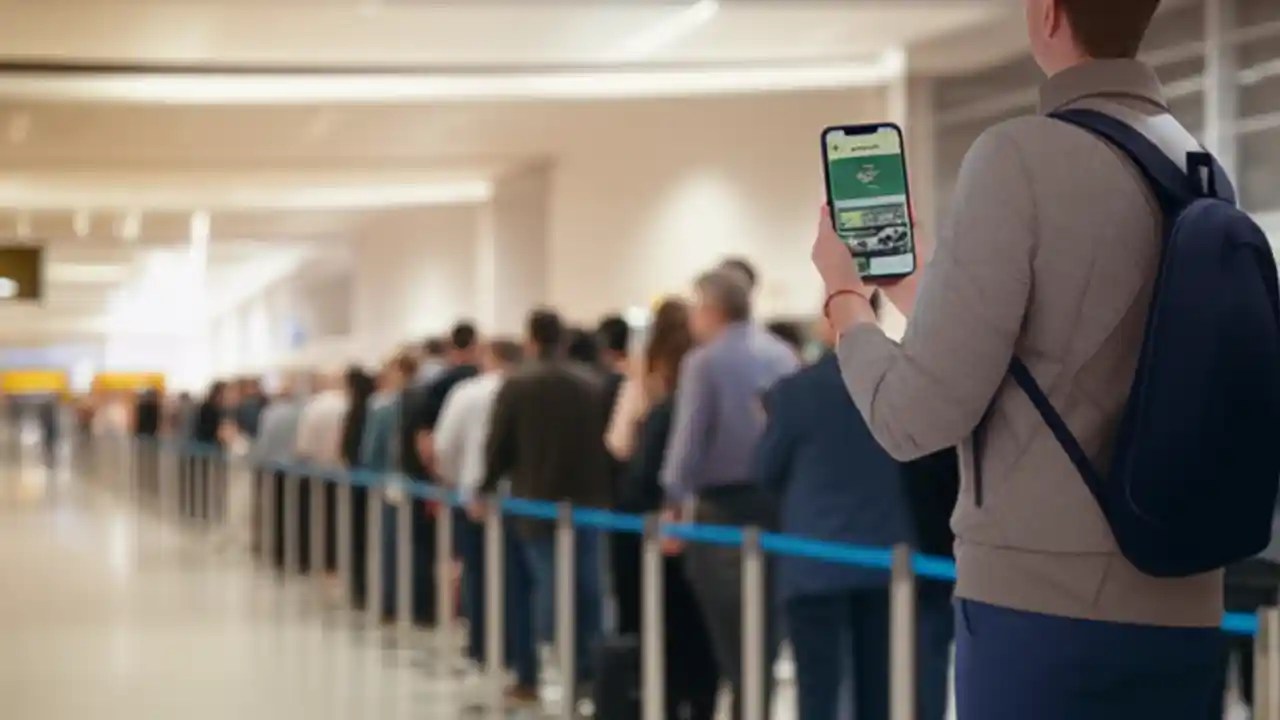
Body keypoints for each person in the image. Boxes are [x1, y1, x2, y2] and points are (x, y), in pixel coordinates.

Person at [810, 1, 1226, 717]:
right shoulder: (1199, 166)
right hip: (1185, 602)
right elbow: (1068, 356)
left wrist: (845, 299)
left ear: (1048, 14)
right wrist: (920, 288)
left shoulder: (1018, 154)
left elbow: (912, 419)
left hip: (1043, 613)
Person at [755, 314, 951, 720]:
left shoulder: (796, 391)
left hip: (814, 559)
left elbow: (765, 469)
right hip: (886, 557)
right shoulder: (899, 384)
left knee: (818, 691)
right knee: (879, 688)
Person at [661, 269, 798, 718]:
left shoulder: (704, 362)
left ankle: (746, 706)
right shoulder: (781, 354)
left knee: (732, 636)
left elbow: (689, 440)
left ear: (711, 309)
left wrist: (674, 503)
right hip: (778, 506)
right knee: (764, 632)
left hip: (722, 511)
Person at [475, 309, 612, 697]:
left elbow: (499, 445)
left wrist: (485, 488)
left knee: (537, 588)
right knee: (588, 589)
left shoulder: (517, 385)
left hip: (534, 500)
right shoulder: (591, 384)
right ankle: (588, 673)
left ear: (531, 340)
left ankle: (535, 671)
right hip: (587, 501)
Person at [614, 298, 719, 719]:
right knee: (702, 633)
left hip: (653, 532)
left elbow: (621, 446)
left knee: (659, 631)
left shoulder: (654, 401)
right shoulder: (712, 384)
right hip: (708, 529)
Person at [434, 339, 537, 702]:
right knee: (521, 582)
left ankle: (482, 647)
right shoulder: (530, 390)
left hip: (476, 495)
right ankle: (520, 654)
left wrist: (454, 479)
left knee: (478, 574)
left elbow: (446, 444)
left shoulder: (468, 393)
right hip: (524, 500)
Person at [361, 355, 417, 622]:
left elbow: (371, 450)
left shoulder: (383, 407)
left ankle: (389, 602)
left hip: (389, 483)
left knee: (389, 546)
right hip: (416, 485)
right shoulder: (422, 401)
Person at [295, 370, 349, 574]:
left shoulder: (312, 407)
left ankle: (316, 559)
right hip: (343, 473)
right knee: (339, 520)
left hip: (316, 471)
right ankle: (335, 562)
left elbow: (303, 446)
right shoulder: (346, 404)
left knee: (317, 518)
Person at [252, 377, 304, 570]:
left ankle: (276, 550)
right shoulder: (300, 413)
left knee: (275, 511)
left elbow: (264, 441)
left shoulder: (270, 413)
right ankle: (293, 551)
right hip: (295, 468)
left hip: (273, 467)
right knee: (293, 511)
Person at [339, 367, 376, 608]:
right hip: (366, 481)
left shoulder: (357, 411)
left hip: (359, 482)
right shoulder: (372, 408)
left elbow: (349, 448)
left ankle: (360, 586)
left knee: (360, 535)